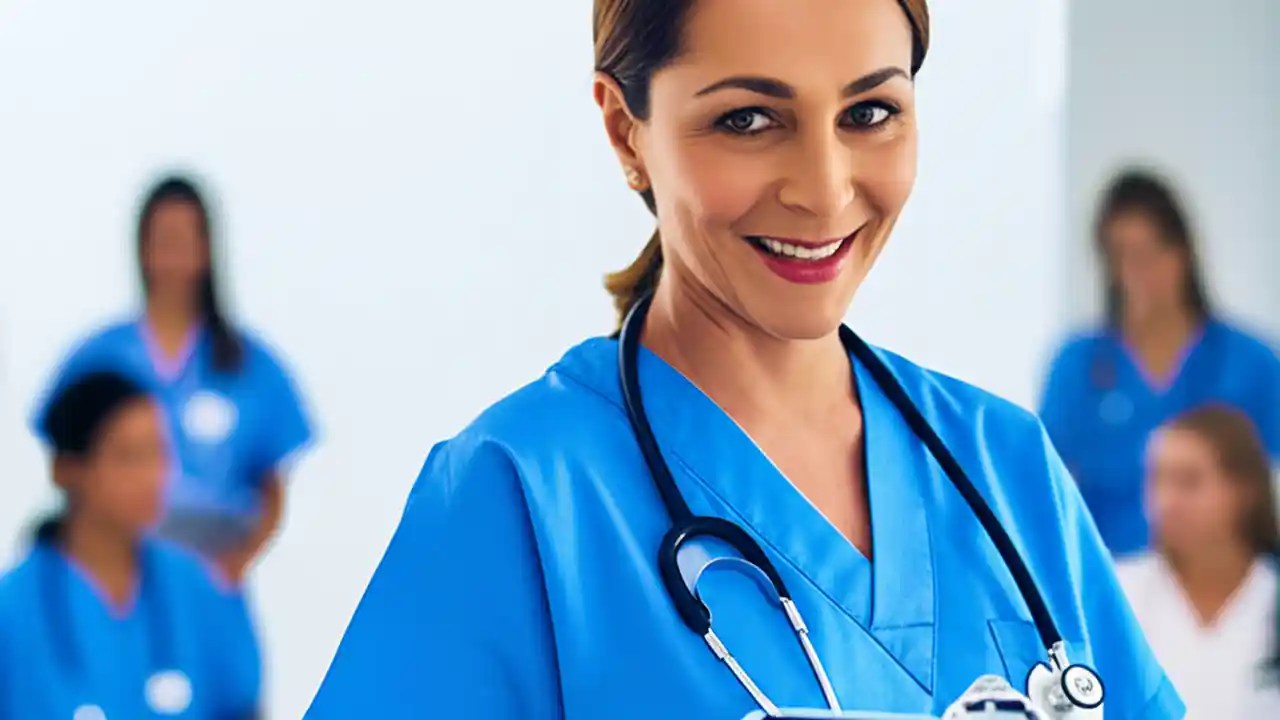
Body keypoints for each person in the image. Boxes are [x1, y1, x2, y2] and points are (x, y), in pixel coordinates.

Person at [308, 1, 1181, 718]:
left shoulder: (1005, 468)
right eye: (749, 119)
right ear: (625, 131)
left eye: (869, 112)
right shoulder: (523, 498)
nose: (825, 187)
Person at [32, 174, 314, 584]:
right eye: (163, 239)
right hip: (114, 578)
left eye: (185, 239)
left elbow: (273, 484)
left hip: (209, 575)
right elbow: (62, 463)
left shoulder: (248, 364)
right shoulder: (99, 358)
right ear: (141, 247)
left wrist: (233, 566)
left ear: (207, 248)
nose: (173, 254)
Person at [1040, 170, 1280, 557]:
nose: (1141, 271)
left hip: (1226, 586)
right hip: (1115, 583)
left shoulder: (1251, 362)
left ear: (1184, 252)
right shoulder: (1080, 365)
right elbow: (1044, 487)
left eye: (1154, 251)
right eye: (1123, 255)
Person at [0, 372, 260, 719]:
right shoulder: (14, 611)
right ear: (67, 468)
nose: (152, 477)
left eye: (160, 453)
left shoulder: (198, 590)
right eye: (129, 456)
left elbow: (241, 706)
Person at [1116, 406, 1280, 718]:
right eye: (1157, 480)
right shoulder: (1119, 591)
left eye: (1188, 482)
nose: (1167, 502)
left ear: (1245, 491)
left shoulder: (1271, 596)